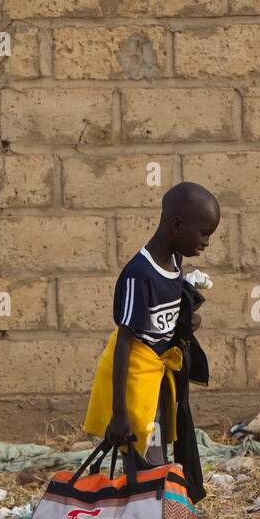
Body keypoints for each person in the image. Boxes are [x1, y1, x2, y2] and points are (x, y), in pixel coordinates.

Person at [83, 182, 220, 493]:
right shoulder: (138, 274)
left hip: (157, 374)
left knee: (157, 448)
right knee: (142, 451)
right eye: (203, 233)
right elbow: (124, 343)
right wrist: (119, 414)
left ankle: (155, 517)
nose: (207, 242)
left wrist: (185, 321)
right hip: (133, 377)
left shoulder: (173, 263)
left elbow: (161, 318)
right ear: (176, 225)